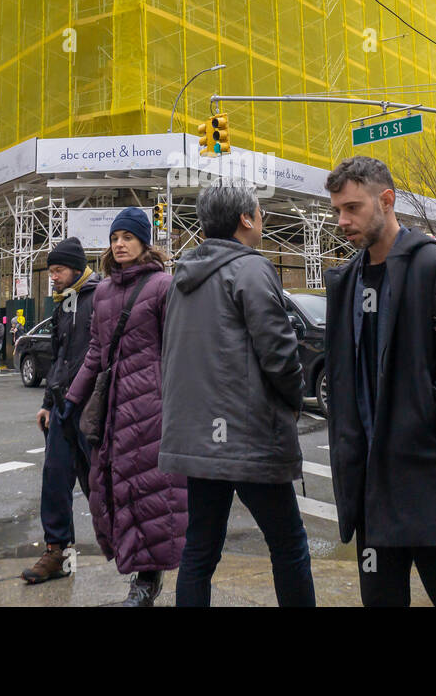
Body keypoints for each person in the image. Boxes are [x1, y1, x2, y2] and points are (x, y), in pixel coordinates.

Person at [322, 157, 436, 607]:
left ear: (387, 200)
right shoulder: (345, 282)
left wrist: (417, 419)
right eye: (338, 209)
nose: (343, 221)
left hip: (430, 476)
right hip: (369, 485)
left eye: (353, 208)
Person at [160, 181, 315, 607]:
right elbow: (280, 354)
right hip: (248, 439)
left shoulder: (181, 278)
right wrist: (293, 399)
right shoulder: (252, 268)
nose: (262, 221)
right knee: (288, 544)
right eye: (260, 213)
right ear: (245, 219)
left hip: (200, 439)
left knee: (200, 550)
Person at [65, 206, 186, 606]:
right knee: (116, 490)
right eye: (115, 238)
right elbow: (97, 352)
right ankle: (138, 571)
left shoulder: (163, 285)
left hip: (152, 407)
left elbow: (177, 349)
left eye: (128, 238)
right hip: (114, 408)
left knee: (150, 491)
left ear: (143, 242)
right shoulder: (102, 291)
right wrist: (71, 399)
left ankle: (147, 579)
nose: (119, 244)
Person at [22, 237, 100, 585]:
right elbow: (60, 358)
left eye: (59, 270)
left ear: (76, 269)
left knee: (103, 486)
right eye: (51, 271)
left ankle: (140, 560)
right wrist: (47, 405)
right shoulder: (62, 304)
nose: (53, 277)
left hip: (92, 410)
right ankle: (58, 553)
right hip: (62, 410)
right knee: (55, 479)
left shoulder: (100, 298)